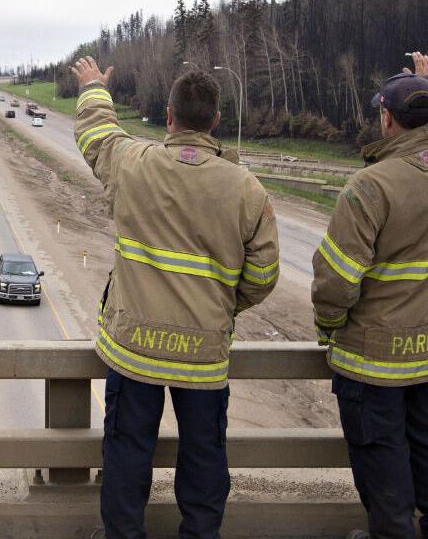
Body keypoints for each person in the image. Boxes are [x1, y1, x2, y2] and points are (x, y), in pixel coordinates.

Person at [72, 57, 280, 538]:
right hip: (203, 357)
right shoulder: (246, 188)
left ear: (168, 117)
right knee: (205, 454)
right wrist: (222, 308)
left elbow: (95, 136)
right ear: (215, 122)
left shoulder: (134, 165)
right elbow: (264, 274)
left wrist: (94, 89)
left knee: (126, 452)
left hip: (135, 349)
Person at [313, 52, 428, 539]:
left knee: (386, 490)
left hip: (373, 365)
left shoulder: (370, 186)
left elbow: (336, 280)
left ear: (386, 118)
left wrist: (327, 328)